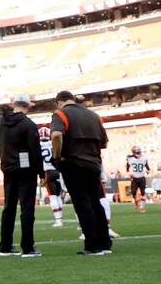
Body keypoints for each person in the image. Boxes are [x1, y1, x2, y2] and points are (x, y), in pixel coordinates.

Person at [48, 91, 111, 256]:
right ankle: (105, 242)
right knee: (96, 203)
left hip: (73, 163)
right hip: (94, 164)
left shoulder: (60, 114)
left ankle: (92, 245)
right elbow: (104, 143)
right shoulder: (93, 115)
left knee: (82, 203)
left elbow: (56, 135)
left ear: (58, 102)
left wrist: (56, 157)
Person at [0, 94, 42, 258]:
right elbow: (35, 152)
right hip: (26, 170)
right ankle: (27, 247)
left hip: (8, 168)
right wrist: (41, 172)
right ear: (27, 106)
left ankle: (5, 246)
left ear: (14, 104)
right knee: (27, 208)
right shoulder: (28, 124)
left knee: (9, 207)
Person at [37, 127, 65, 227]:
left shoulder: (37, 146)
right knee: (58, 195)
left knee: (53, 196)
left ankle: (58, 220)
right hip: (57, 170)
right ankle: (60, 218)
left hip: (47, 172)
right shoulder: (53, 143)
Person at [126, 145, 150, 212]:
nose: (138, 154)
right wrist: (129, 173)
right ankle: (136, 202)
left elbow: (148, 168)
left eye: (139, 152)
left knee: (143, 193)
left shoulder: (144, 159)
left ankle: (142, 207)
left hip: (142, 178)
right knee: (133, 193)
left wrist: (147, 171)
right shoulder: (130, 159)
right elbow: (127, 169)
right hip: (134, 178)